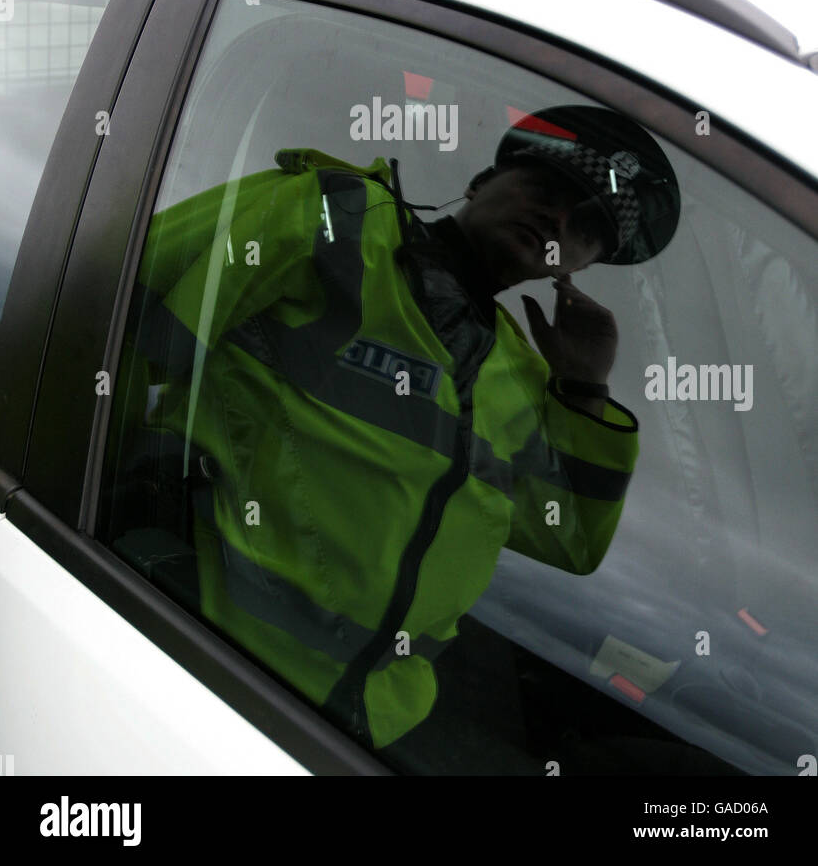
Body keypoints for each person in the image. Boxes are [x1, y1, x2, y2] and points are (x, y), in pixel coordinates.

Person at [122, 104, 680, 749]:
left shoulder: (522, 379)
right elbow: (105, 317)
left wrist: (584, 390)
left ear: (572, 267)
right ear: (477, 184)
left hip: (352, 729)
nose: (560, 219)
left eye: (587, 228)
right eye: (548, 190)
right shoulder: (333, 218)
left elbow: (569, 541)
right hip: (181, 653)